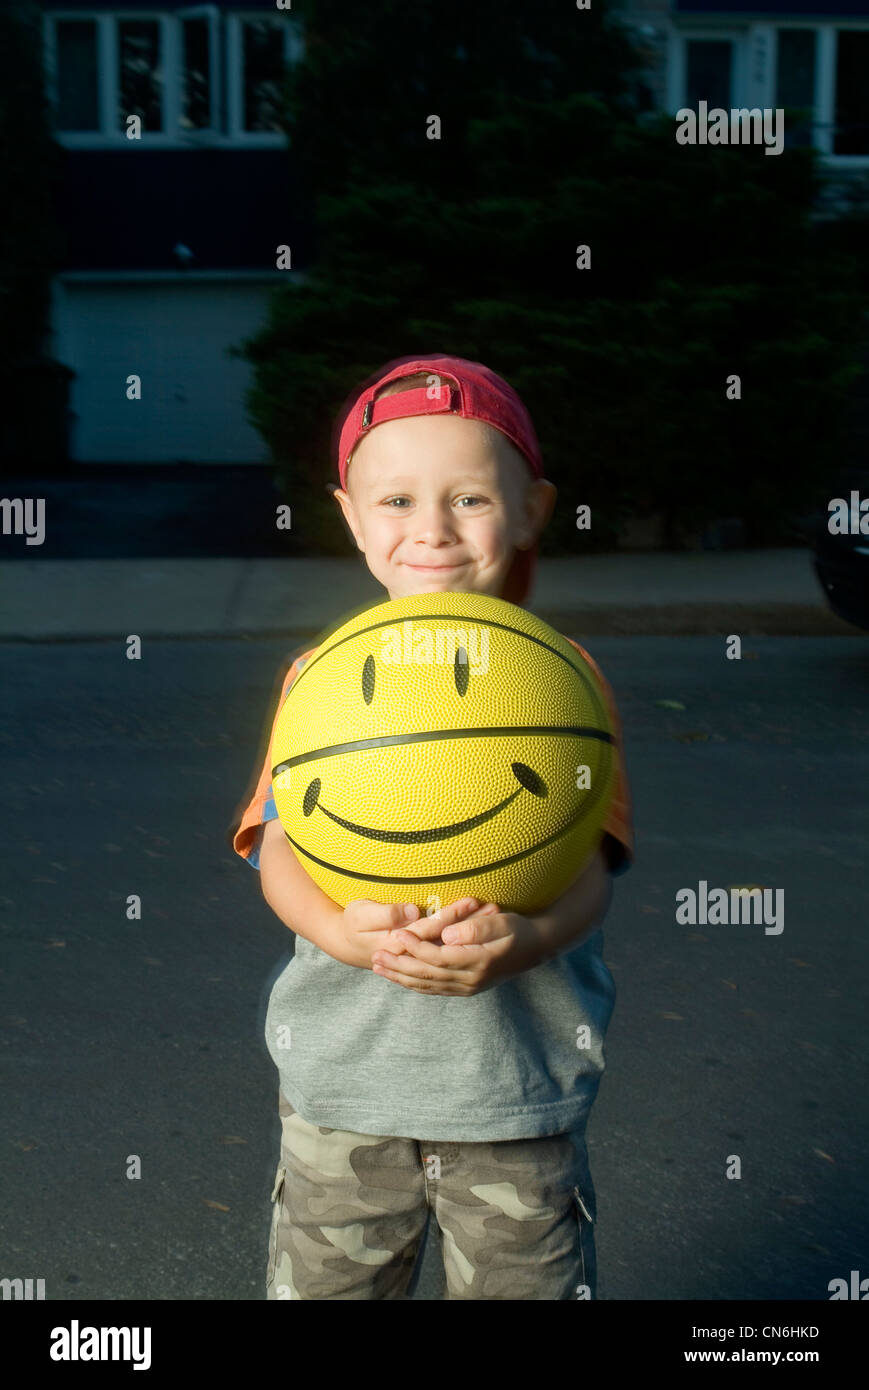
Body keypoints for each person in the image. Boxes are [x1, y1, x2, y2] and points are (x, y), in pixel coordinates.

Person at [230, 353, 634, 1299]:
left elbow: (592, 867)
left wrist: (529, 936)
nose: (432, 530)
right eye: (398, 501)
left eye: (469, 499)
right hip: (342, 1095)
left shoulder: (561, 679)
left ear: (532, 508)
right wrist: (334, 931)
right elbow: (279, 848)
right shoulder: (318, 678)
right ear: (351, 518)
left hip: (514, 1094)